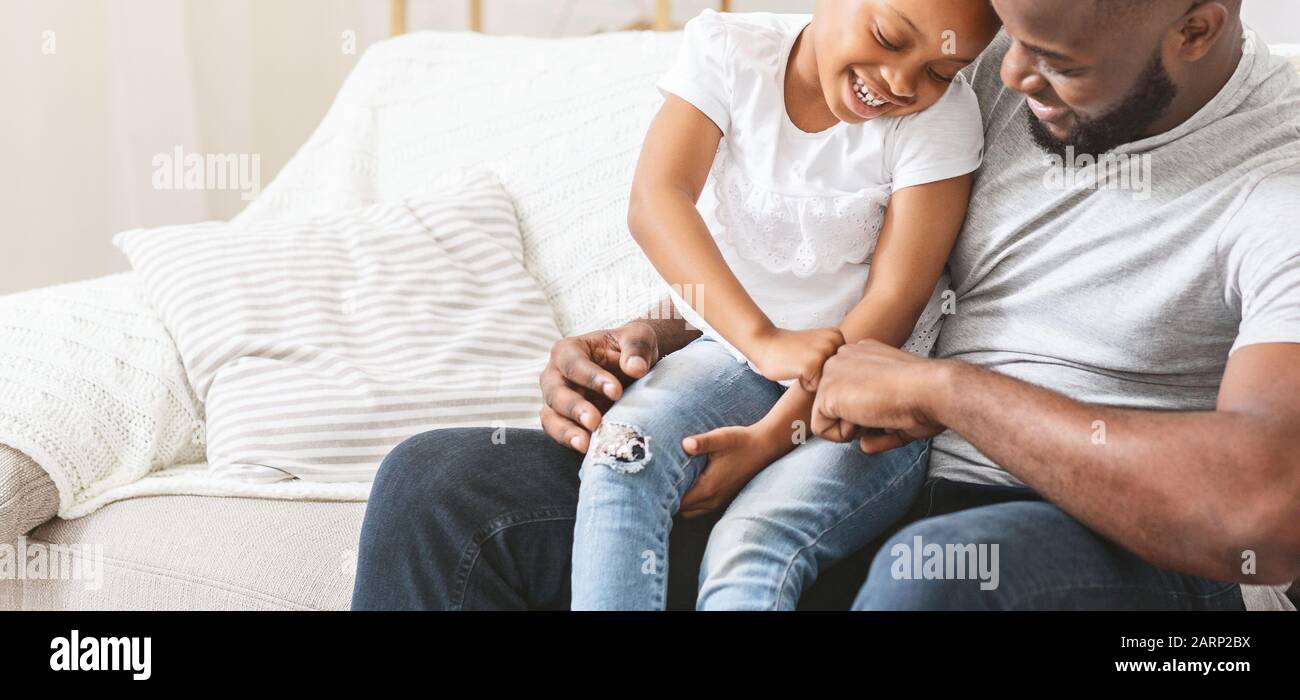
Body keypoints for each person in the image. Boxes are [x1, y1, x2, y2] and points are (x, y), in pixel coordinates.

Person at [352, 0, 1300, 611]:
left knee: (928, 582)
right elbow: (830, 262)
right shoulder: (967, 48)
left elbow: (1263, 507)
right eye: (1008, 39)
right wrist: (664, 337)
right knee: (441, 487)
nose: (1003, 76)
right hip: (844, 460)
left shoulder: (1282, 170)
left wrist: (947, 394)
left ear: (1196, 27)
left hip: (1080, 540)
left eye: (1053, 60)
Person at [570, 1, 1001, 610]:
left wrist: (776, 434)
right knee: (622, 453)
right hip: (730, 357)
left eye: (941, 70)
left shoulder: (942, 121)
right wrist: (762, 339)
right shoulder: (730, 51)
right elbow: (656, 200)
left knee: (753, 541)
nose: (904, 83)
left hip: (865, 397)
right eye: (888, 38)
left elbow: (894, 301)